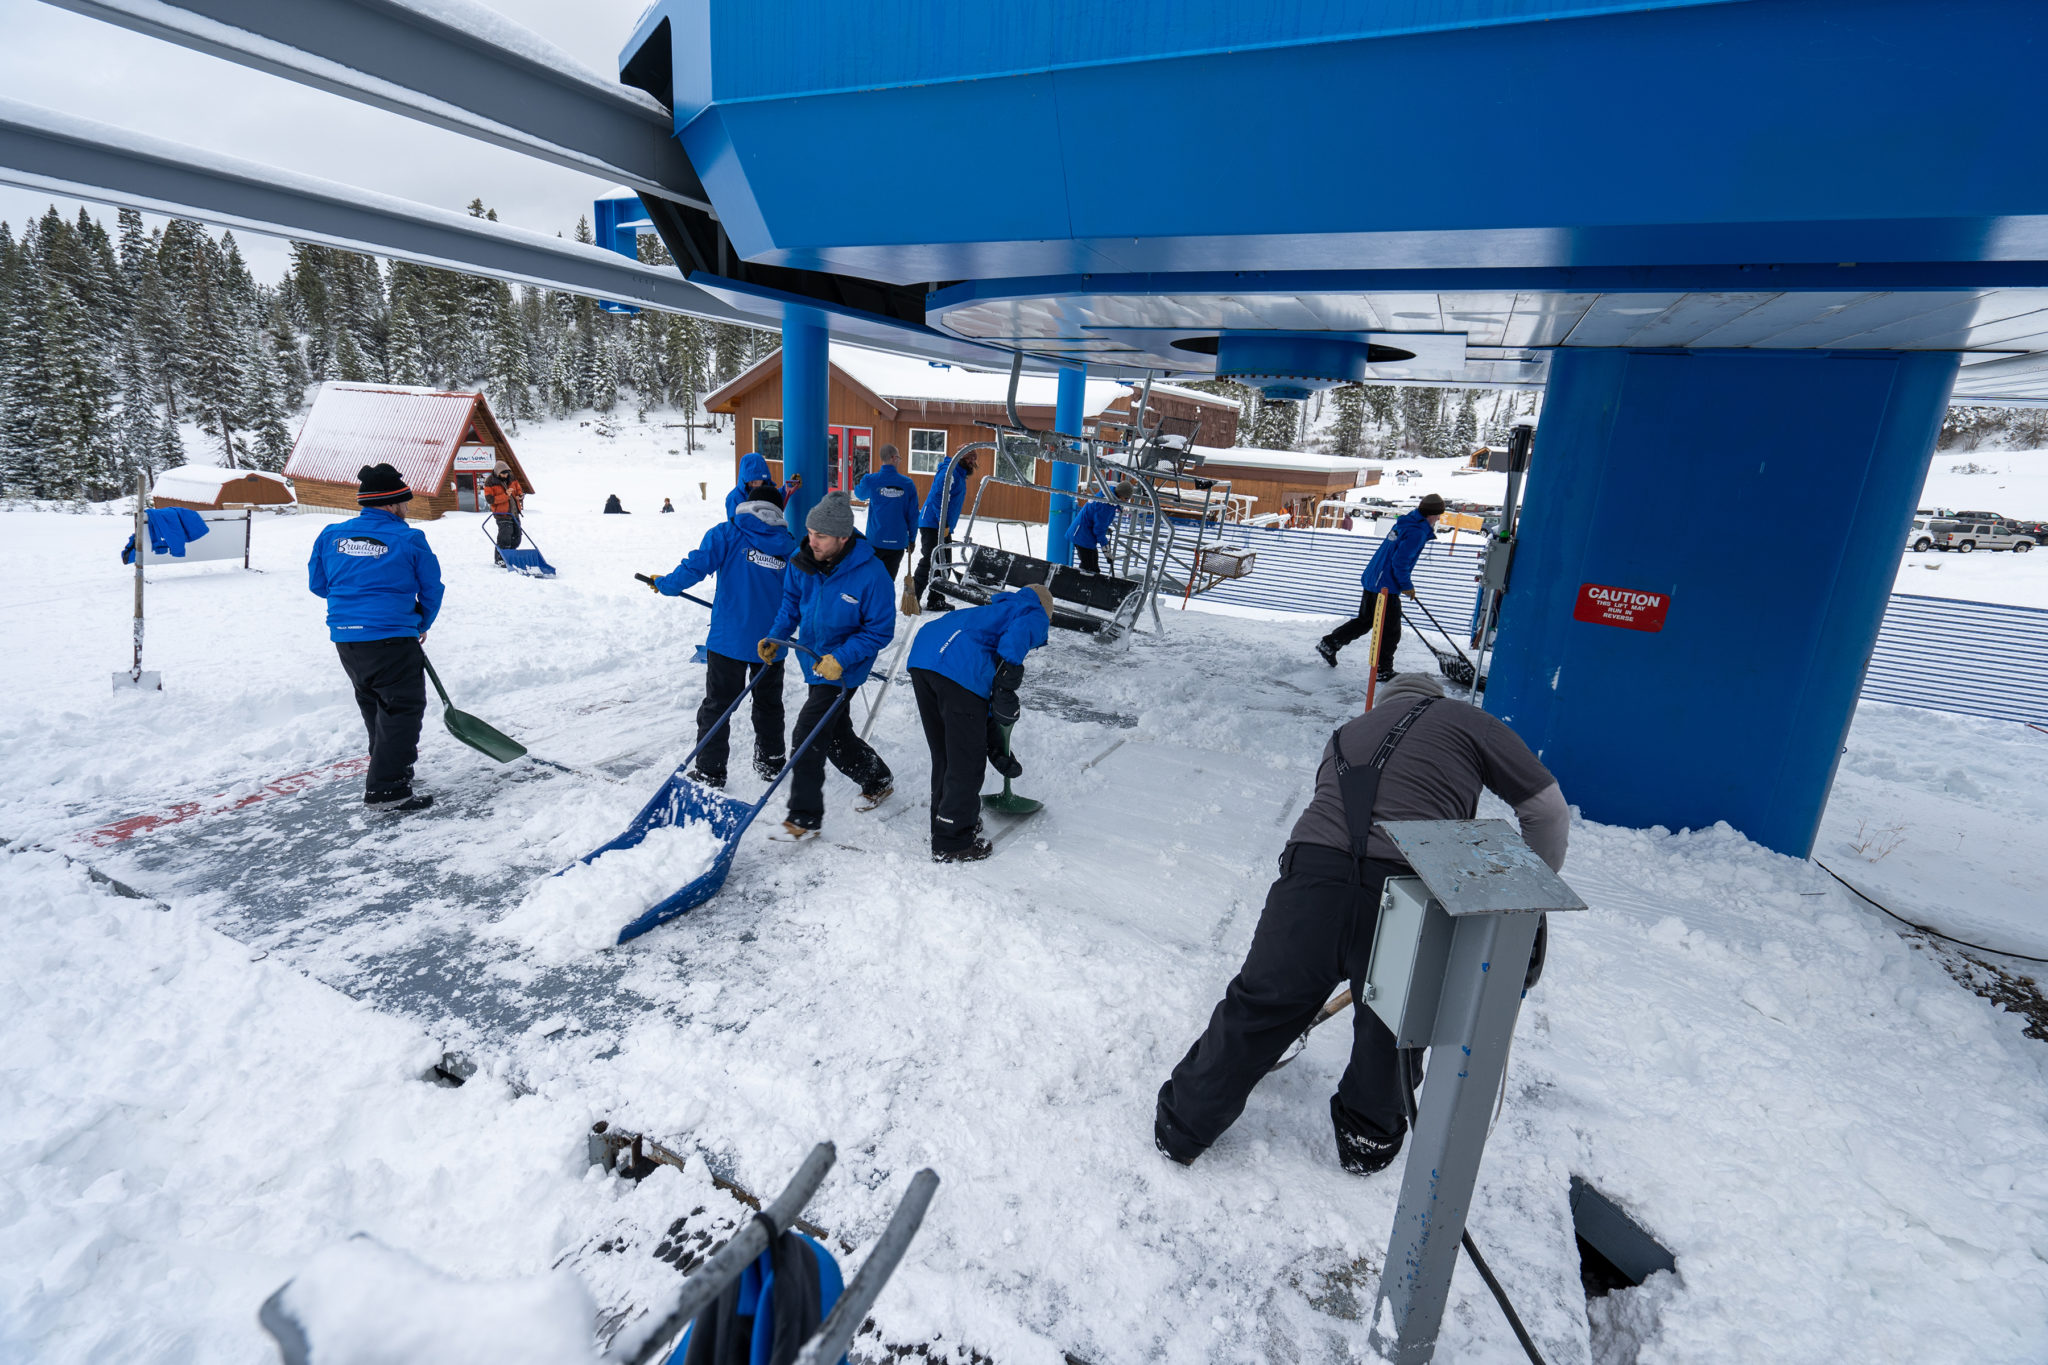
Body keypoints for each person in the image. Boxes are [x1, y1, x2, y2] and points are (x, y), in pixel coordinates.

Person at [1154, 671, 1567, 1175]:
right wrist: (1524, 901)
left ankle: (1181, 1129)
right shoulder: (1471, 722)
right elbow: (1546, 810)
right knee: (1392, 1028)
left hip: (1309, 880)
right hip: (1408, 889)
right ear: (1436, 699)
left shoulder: (1347, 732)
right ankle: (1365, 1142)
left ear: (1385, 704)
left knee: (1259, 1006)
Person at [307, 463, 445, 813]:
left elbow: (318, 585)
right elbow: (431, 589)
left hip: (346, 640)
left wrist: (354, 605)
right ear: (391, 504)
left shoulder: (330, 535)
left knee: (375, 705)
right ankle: (387, 790)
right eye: (404, 503)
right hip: (391, 638)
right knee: (401, 710)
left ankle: (392, 768)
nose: (407, 509)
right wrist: (418, 623)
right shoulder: (409, 538)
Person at [763, 491, 896, 839]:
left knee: (807, 736)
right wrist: (775, 638)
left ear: (843, 537)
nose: (812, 540)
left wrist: (841, 658)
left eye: (820, 536)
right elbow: (791, 603)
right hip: (813, 660)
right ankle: (877, 778)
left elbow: (880, 630)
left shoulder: (871, 574)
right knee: (835, 735)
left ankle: (803, 819)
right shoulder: (801, 559)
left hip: (843, 669)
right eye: (809, 532)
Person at [647, 497, 795, 786]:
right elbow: (799, 593)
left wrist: (665, 584)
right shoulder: (790, 545)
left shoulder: (727, 533)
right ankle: (771, 761)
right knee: (769, 704)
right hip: (772, 643)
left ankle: (710, 771)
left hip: (729, 640)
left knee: (718, 705)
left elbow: (694, 567)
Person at [906, 584, 1053, 863]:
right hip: (957, 667)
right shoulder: (1033, 611)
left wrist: (996, 745)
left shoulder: (995, 611)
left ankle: (945, 821)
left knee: (947, 754)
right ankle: (953, 841)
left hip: (924, 659)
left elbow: (976, 704)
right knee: (966, 762)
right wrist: (1007, 687)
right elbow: (1015, 643)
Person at [1317, 493, 1443, 680]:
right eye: (1438, 515)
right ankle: (1383, 670)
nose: (1439, 519)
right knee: (1390, 631)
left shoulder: (1405, 523)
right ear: (1432, 515)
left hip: (1374, 578)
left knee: (1366, 620)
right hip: (1385, 585)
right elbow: (1400, 562)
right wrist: (1406, 585)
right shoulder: (1417, 531)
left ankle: (1330, 643)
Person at [913, 448, 979, 610]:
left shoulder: (958, 473)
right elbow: (938, 497)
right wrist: (944, 524)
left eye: (974, 458)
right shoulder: (950, 473)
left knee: (944, 564)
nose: (972, 462)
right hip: (933, 524)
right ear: (960, 456)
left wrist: (946, 525)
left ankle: (935, 599)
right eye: (969, 457)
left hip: (940, 525)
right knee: (930, 561)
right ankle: (912, 599)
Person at [853, 445, 921, 587]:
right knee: (887, 582)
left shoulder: (871, 480)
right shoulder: (907, 484)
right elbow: (913, 515)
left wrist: (863, 480)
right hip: (897, 542)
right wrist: (912, 539)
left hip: (875, 540)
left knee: (872, 580)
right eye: (899, 458)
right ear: (893, 458)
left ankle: (870, 607)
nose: (899, 461)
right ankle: (884, 605)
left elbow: (859, 494)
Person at [1070, 482, 1131, 575]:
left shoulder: (1108, 496)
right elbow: (1098, 530)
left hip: (1083, 533)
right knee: (1089, 569)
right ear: (1120, 494)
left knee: (1093, 566)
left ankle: (1088, 585)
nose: (1127, 501)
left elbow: (1097, 519)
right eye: (1126, 498)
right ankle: (1083, 586)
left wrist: (1104, 528)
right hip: (1082, 536)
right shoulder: (1106, 506)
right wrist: (1107, 552)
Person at [725, 452, 785, 521]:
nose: (754, 484)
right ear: (744, 478)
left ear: (764, 479)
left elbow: (775, 500)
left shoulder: (766, 491)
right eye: (751, 481)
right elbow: (734, 526)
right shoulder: (734, 498)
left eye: (757, 480)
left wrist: (786, 489)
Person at [483, 461, 523, 558]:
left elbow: (519, 490)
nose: (505, 476)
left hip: (514, 513)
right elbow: (490, 499)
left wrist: (520, 496)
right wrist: (505, 495)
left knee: (517, 536)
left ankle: (511, 555)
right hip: (501, 514)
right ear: (497, 472)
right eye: (503, 474)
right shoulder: (490, 482)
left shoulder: (511, 478)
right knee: (505, 537)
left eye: (507, 473)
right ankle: (500, 558)